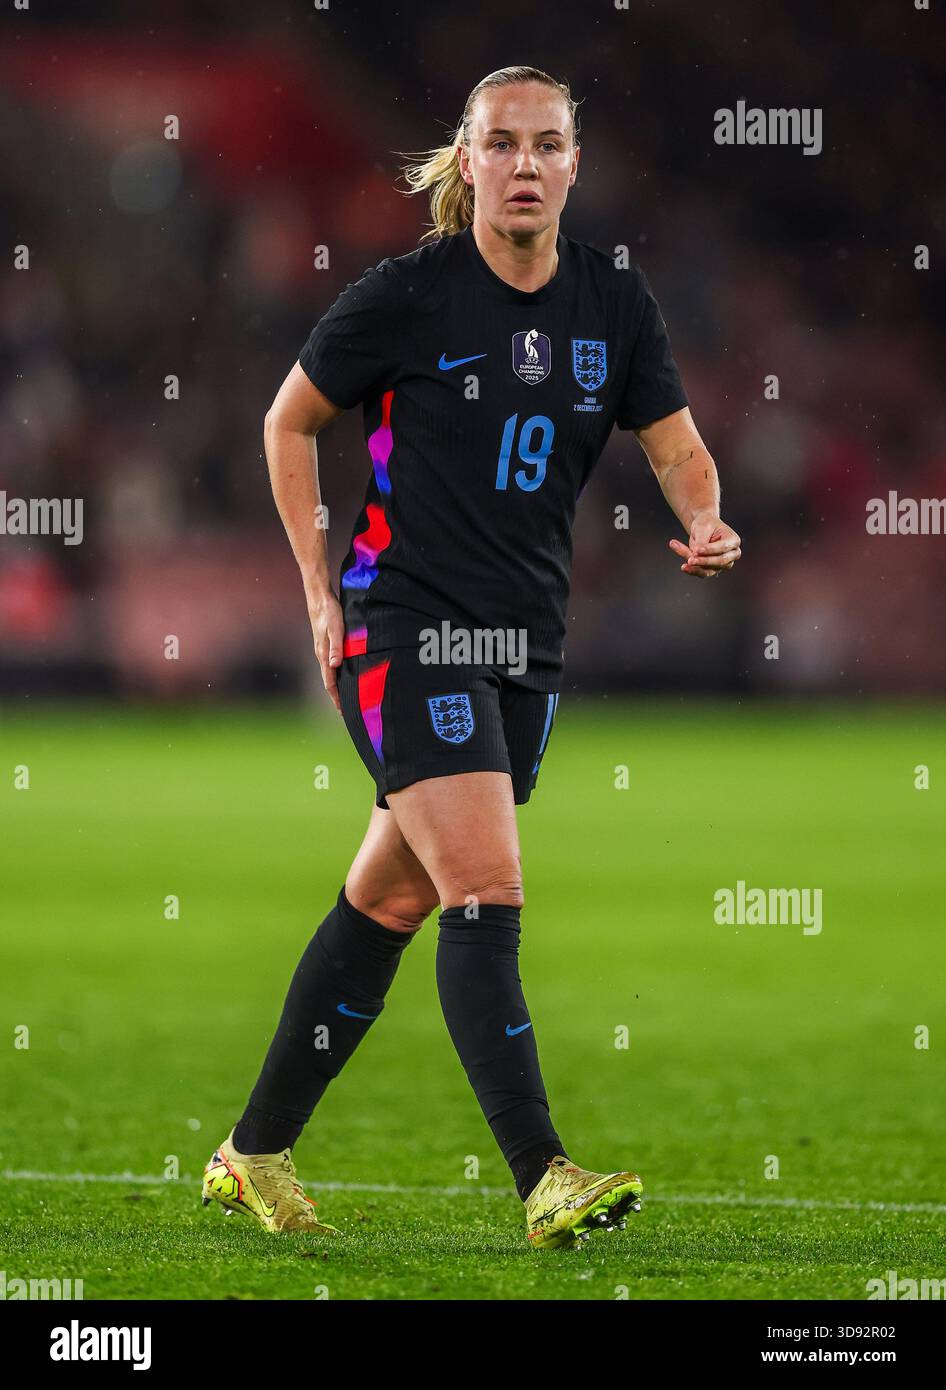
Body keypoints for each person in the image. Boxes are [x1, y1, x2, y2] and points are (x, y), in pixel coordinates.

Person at [202, 65, 742, 1249]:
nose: (527, 165)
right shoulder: (406, 295)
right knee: (485, 890)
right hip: (405, 631)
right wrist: (312, 586)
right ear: (467, 161)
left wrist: (704, 518)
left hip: (524, 652)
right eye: (503, 144)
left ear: (574, 166)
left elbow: (678, 445)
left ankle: (250, 1153)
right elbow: (288, 420)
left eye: (549, 144)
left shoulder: (614, 301)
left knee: (384, 901)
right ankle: (542, 1173)